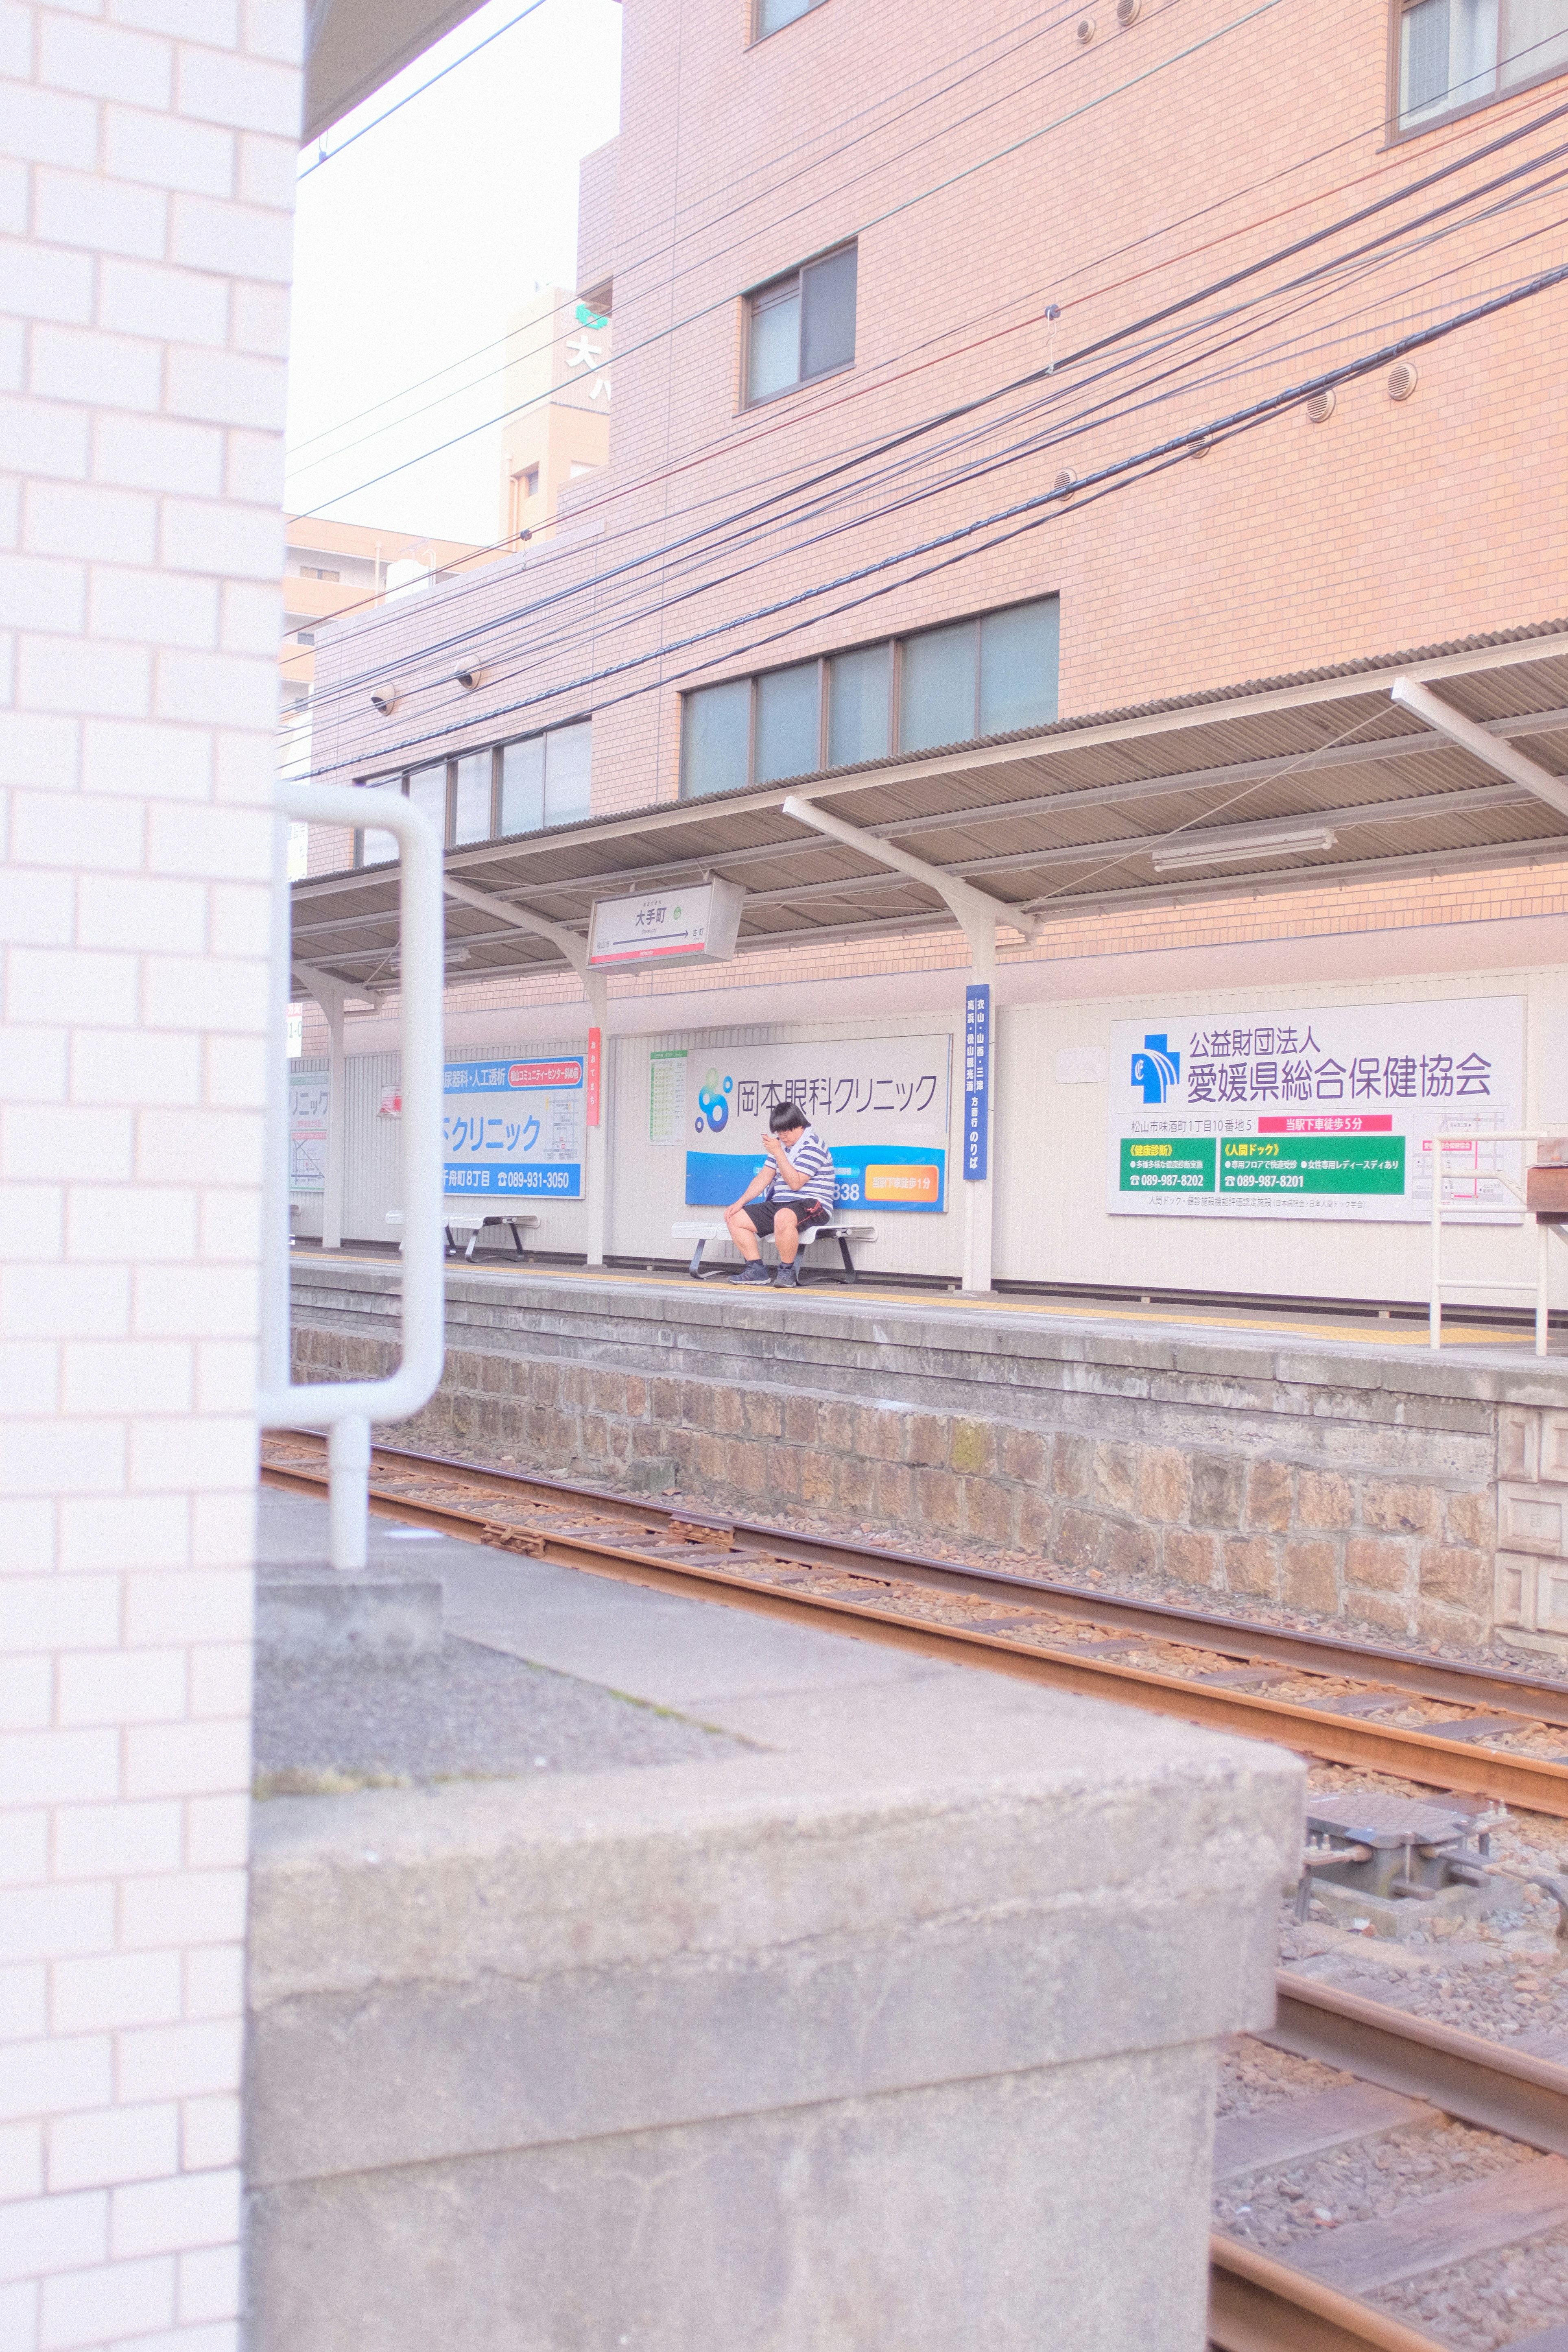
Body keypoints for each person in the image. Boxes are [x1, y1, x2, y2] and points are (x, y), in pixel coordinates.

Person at [723, 1101, 836, 1287]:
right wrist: (740, 1202)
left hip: (813, 1204)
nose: (783, 1137)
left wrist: (779, 1154)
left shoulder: (813, 1145)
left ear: (800, 1125)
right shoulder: (781, 1147)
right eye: (779, 1133)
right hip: (782, 1203)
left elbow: (795, 1183)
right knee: (735, 1218)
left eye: (787, 1132)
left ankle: (786, 1272)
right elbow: (764, 1177)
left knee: (783, 1216)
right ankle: (756, 1270)